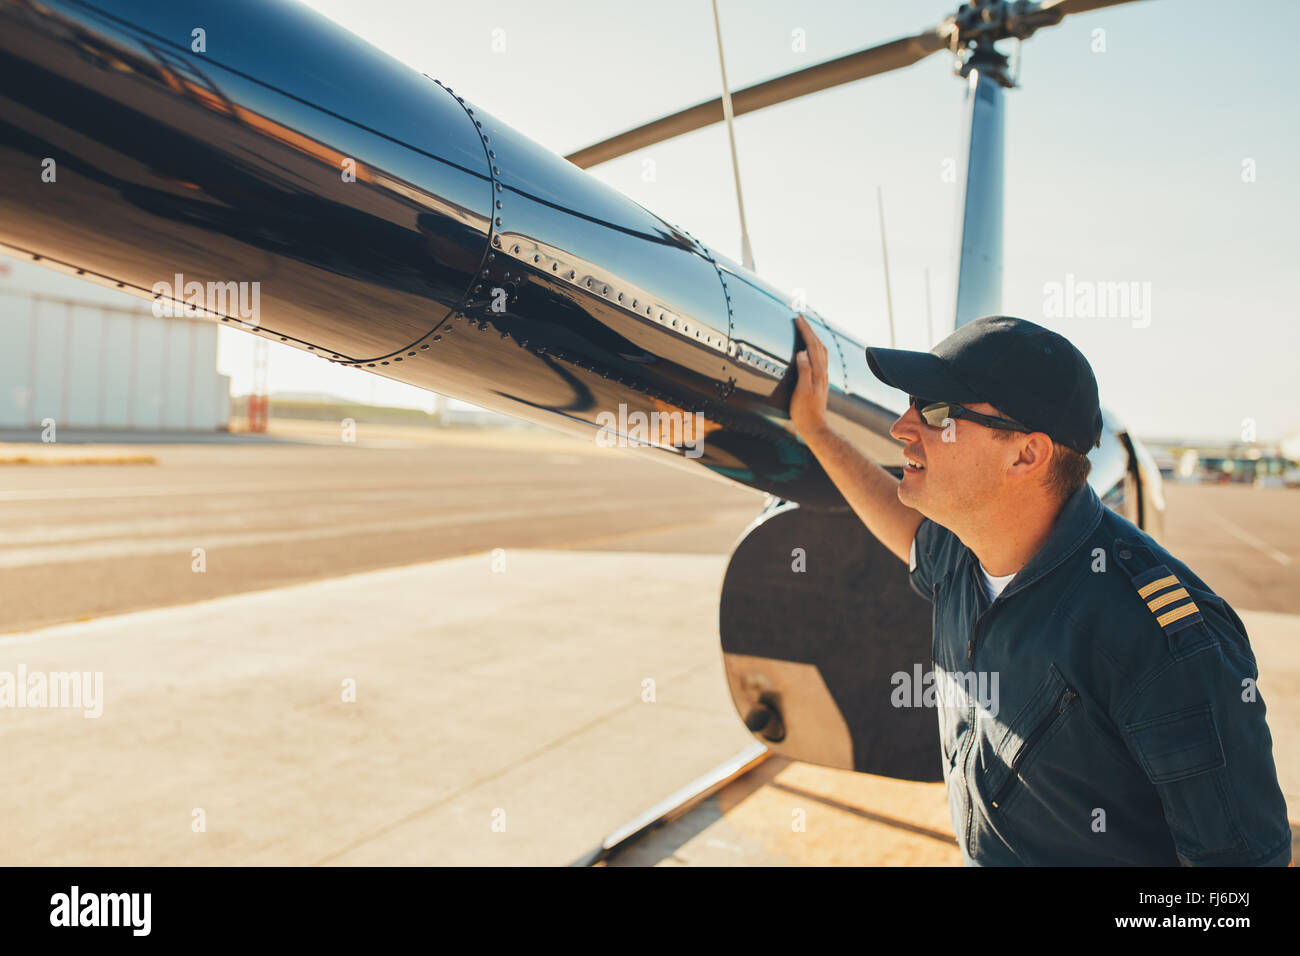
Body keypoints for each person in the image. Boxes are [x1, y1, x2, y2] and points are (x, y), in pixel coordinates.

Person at [788, 312, 1291, 866]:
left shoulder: (1161, 641)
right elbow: (902, 528)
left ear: (1026, 454)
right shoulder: (962, 548)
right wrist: (816, 431)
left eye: (934, 412)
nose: (902, 428)